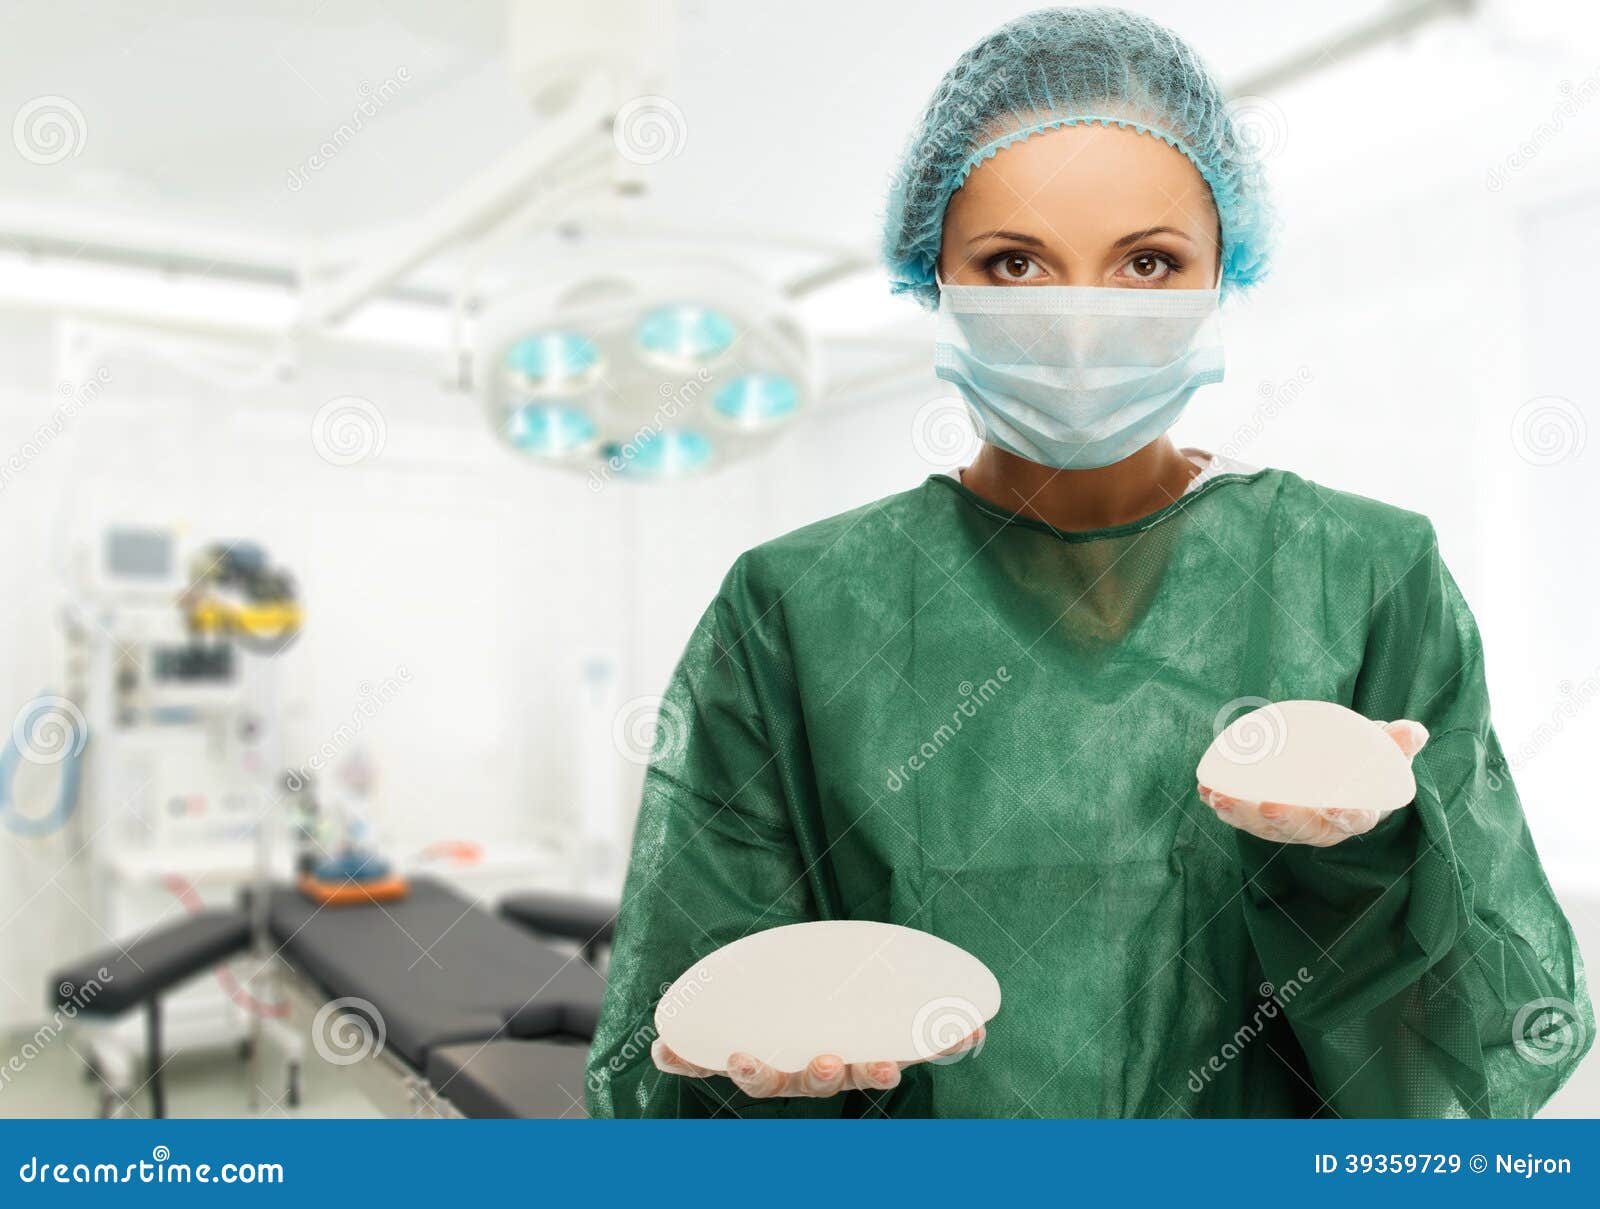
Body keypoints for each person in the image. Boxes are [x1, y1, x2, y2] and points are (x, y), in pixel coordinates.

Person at [587, 6, 1591, 1117]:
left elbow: (1477, 1036)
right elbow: (686, 1002)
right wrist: (754, 1078)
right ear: (933, 276)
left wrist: (1363, 861)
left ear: (1224, 272)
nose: (1077, 324)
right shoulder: (794, 606)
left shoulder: (1361, 576)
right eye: (1014, 262)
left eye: (1147, 263)